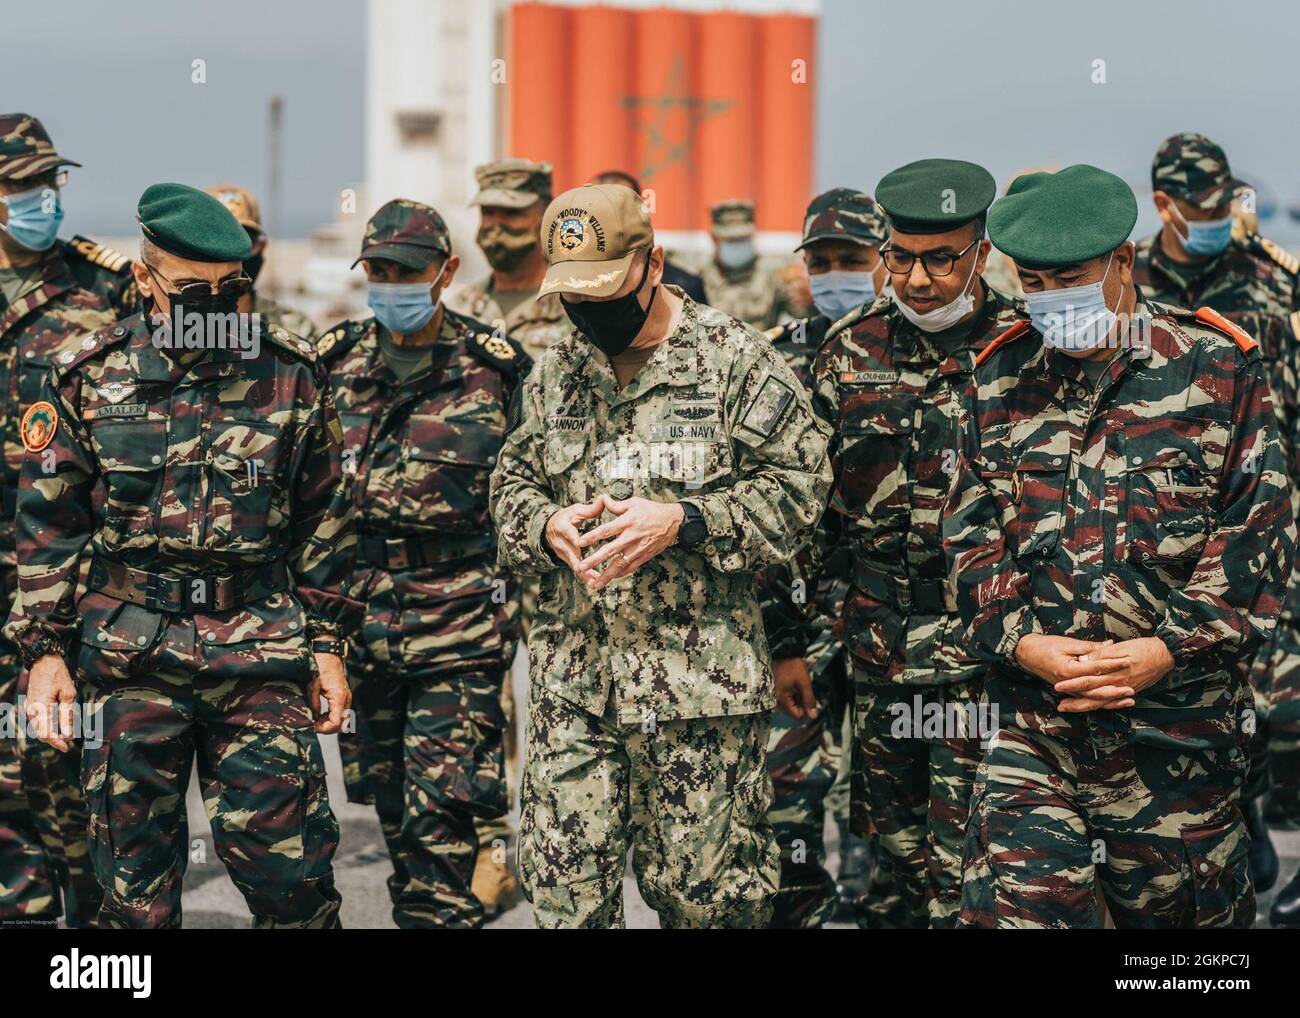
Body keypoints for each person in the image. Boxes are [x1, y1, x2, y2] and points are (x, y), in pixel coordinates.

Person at [945, 164, 1294, 928]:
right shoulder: (997, 377)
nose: (1048, 299)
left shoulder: (1217, 368)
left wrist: (1168, 648)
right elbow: (971, 540)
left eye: (1067, 278)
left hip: (1176, 730)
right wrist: (1023, 641)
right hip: (1036, 725)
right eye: (1030, 280)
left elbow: (1258, 535)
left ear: (1124, 261)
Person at [8, 183, 360, 928]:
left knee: (292, 881)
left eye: (227, 290)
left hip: (259, 654)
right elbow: (49, 527)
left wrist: (328, 646)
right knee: (133, 899)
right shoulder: (87, 374)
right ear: (144, 279)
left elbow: (327, 520)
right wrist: (44, 655)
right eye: (190, 290)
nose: (212, 306)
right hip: (130, 657)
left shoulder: (288, 372)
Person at [490, 183, 831, 927]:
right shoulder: (557, 369)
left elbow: (803, 494)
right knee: (564, 904)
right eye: (573, 298)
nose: (589, 314)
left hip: (696, 697)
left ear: (654, 262)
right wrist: (545, 523)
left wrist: (685, 521)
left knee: (708, 906)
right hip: (573, 692)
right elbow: (509, 483)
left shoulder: (735, 360)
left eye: (604, 293)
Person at [811, 160, 1020, 929]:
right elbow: (815, 518)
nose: (920, 280)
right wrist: (798, 645)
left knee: (973, 863)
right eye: (902, 257)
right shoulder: (846, 350)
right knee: (893, 858)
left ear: (983, 252)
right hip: (879, 650)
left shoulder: (1026, 351)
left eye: (942, 259)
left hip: (986, 655)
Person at [319, 199, 527, 927]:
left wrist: (519, 614)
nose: (390, 283)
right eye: (377, 270)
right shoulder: (330, 366)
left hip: (460, 628)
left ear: (446, 273)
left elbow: (530, 496)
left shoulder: (495, 370)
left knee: (444, 817)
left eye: (406, 272)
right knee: (396, 818)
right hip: (362, 625)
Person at [1131, 132, 1300, 905]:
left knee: (1288, 700)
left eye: (1221, 205)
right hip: (1170, 517)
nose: (1214, 220)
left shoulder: (1270, 284)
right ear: (1164, 205)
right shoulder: (1125, 282)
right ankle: (1240, 819)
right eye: (1199, 208)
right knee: (1212, 691)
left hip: (1276, 513)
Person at [760, 186, 889, 927]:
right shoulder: (772, 362)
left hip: (888, 612)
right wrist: (780, 637)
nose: (836, 272)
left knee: (888, 789)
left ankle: (868, 882)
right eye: (823, 260)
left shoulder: (914, 355)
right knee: (788, 788)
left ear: (883, 262)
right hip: (800, 612)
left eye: (854, 259)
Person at [0, 111, 114, 927]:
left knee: (70, 759)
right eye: (22, 186)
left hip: (62, 566)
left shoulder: (99, 288)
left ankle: (93, 919)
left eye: (50, 183)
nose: (42, 198)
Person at [445, 158, 568, 363]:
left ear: (546, 216)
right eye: (488, 212)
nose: (495, 226)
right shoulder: (458, 311)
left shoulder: (573, 306)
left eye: (512, 213)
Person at [205, 182, 319, 341]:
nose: (232, 255)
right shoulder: (176, 327)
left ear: (261, 245)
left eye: (244, 241)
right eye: (218, 239)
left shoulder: (296, 329)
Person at [590, 170, 708, 304]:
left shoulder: (683, 287)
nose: (605, 215)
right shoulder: (568, 283)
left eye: (618, 206)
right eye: (594, 206)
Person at [693, 199, 812, 330]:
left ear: (753, 235)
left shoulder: (774, 272)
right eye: (730, 240)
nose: (737, 245)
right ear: (714, 238)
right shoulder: (696, 276)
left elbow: (802, 319)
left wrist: (797, 345)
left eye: (743, 239)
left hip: (763, 347)